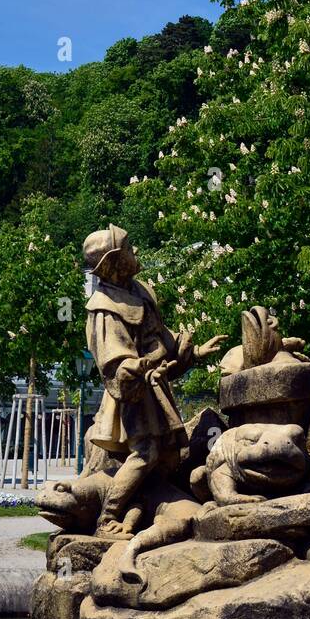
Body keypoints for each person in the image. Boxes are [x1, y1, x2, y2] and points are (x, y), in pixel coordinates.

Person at [82, 225, 226, 535]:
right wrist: (148, 363)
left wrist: (195, 352)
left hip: (154, 388)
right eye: (129, 250)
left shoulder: (141, 291)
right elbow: (117, 363)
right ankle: (108, 517)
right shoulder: (103, 309)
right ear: (114, 262)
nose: (136, 254)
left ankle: (141, 512)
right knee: (145, 452)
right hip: (133, 395)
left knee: (162, 456)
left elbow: (161, 337)